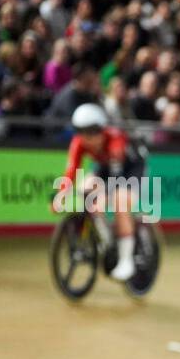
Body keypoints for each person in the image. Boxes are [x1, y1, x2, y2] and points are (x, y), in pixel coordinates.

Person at [55, 103, 143, 281]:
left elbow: (116, 179)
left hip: (130, 167)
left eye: (92, 133)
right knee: (84, 189)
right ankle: (101, 234)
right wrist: (61, 194)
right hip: (105, 167)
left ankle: (127, 260)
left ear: (101, 130)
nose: (87, 139)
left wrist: (102, 197)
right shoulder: (78, 143)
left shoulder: (115, 140)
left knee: (119, 201)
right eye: (82, 132)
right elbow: (71, 171)